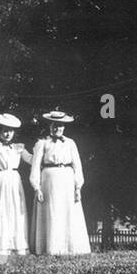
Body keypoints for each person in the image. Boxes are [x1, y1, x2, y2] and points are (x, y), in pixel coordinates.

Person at [29, 110, 90, 256]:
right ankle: (50, 248)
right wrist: (37, 187)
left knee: (67, 212)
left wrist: (78, 187)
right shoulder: (42, 143)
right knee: (52, 212)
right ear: (50, 126)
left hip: (67, 179)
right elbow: (36, 166)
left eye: (60, 126)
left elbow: (77, 166)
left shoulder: (70, 143)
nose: (57, 129)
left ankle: (70, 248)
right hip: (48, 180)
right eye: (54, 125)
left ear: (64, 127)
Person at [0, 113, 31, 256]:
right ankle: (0, 247)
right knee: (1, 212)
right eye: (4, 130)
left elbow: (32, 160)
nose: (7, 133)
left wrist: (43, 148)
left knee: (16, 211)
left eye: (10, 130)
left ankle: (18, 246)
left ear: (14, 132)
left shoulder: (18, 148)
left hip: (14, 182)